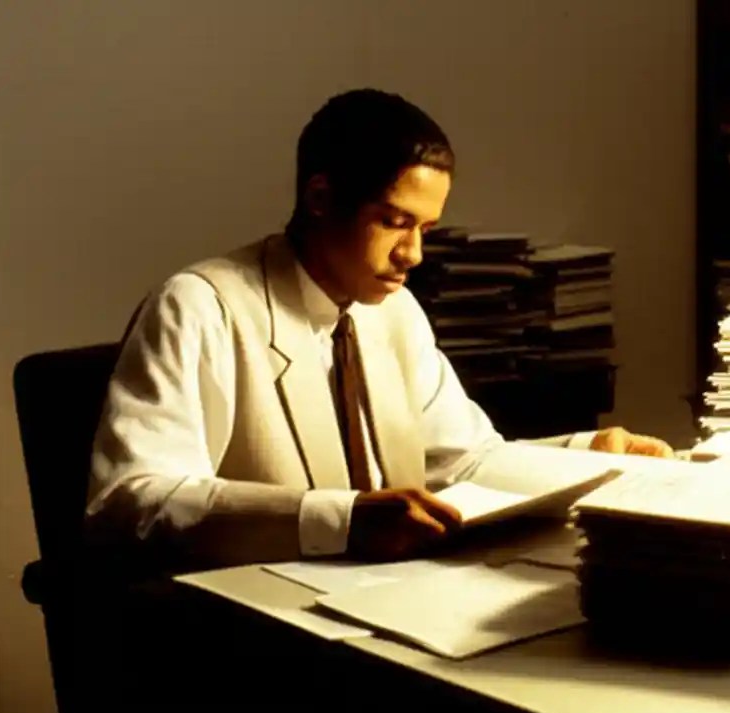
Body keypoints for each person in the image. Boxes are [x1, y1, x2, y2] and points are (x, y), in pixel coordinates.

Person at [87, 88, 672, 569]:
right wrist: (340, 520)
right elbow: (132, 503)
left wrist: (594, 459)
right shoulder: (199, 307)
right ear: (320, 197)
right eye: (394, 223)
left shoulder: (391, 311)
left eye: (426, 228)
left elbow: (463, 462)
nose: (413, 253)